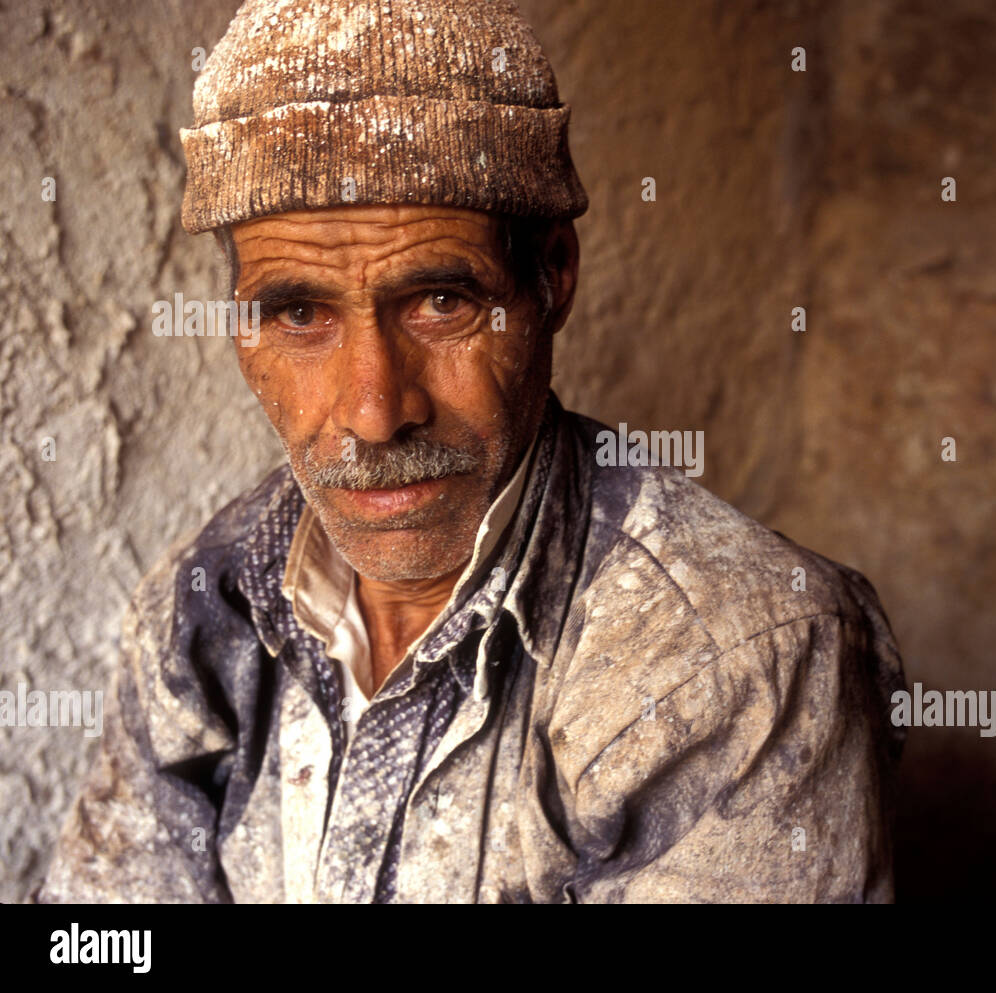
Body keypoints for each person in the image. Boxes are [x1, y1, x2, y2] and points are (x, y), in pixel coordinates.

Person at [39, 0, 905, 903]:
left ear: (553, 277)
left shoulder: (735, 662)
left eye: (441, 301)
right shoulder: (201, 614)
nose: (376, 413)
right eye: (300, 314)